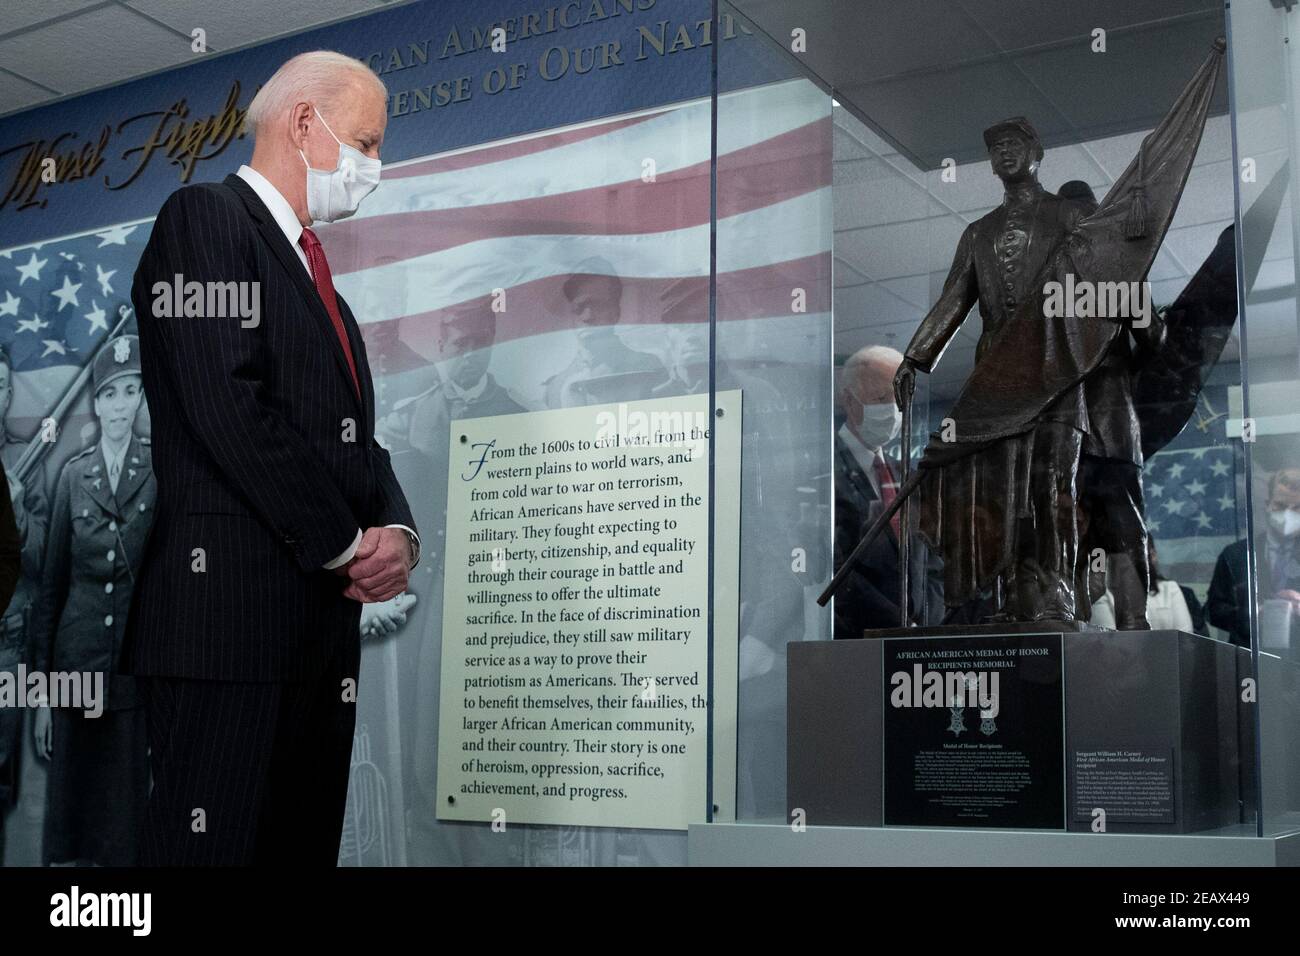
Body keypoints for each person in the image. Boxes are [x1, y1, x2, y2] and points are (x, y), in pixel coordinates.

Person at [125, 50, 419, 866]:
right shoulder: (203, 219)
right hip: (228, 627)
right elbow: (227, 404)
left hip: (318, 639)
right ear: (302, 123)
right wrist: (345, 542)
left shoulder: (332, 296)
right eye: (365, 142)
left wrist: (395, 528)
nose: (373, 166)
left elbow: (355, 439)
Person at [29, 336, 153, 865]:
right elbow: (50, 591)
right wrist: (39, 695)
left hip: (131, 680)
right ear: (97, 404)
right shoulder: (72, 478)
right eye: (111, 394)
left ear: (141, 398)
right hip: (74, 676)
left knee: (123, 832)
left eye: (131, 391)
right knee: (72, 829)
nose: (122, 404)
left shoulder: (159, 473)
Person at [833, 345, 942, 634]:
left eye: (899, 400)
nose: (893, 411)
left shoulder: (905, 475)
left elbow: (931, 560)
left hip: (916, 642)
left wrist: (927, 623)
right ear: (848, 399)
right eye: (881, 398)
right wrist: (898, 624)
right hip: (856, 642)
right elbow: (835, 569)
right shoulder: (826, 471)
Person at [0, 346, 46, 852]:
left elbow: (45, 557)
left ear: (9, 393)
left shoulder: (23, 462)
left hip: (8, 647)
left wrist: (13, 512)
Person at [1208, 466, 1300, 648]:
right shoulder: (1235, 555)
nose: (1288, 515)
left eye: (1297, 508)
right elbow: (1214, 611)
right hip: (1249, 654)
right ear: (1267, 505)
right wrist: (1253, 614)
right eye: (1280, 506)